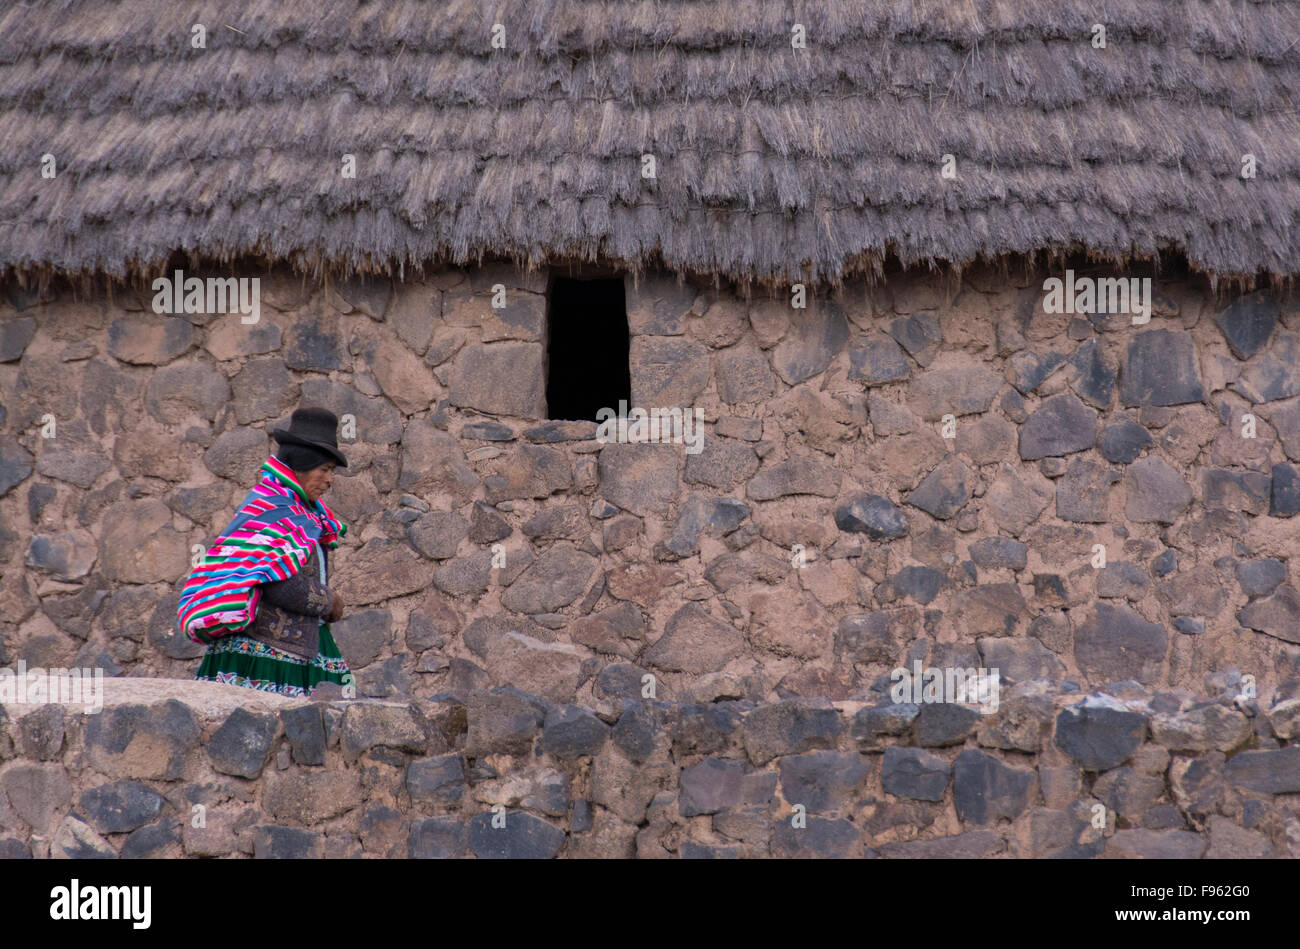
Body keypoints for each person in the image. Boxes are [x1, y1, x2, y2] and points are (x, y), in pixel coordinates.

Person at [179, 407, 353, 699]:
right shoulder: (273, 510)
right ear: (299, 466)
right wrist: (329, 601)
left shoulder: (306, 514)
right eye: (323, 469)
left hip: (301, 646)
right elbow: (278, 583)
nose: (329, 480)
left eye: (332, 472)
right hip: (264, 656)